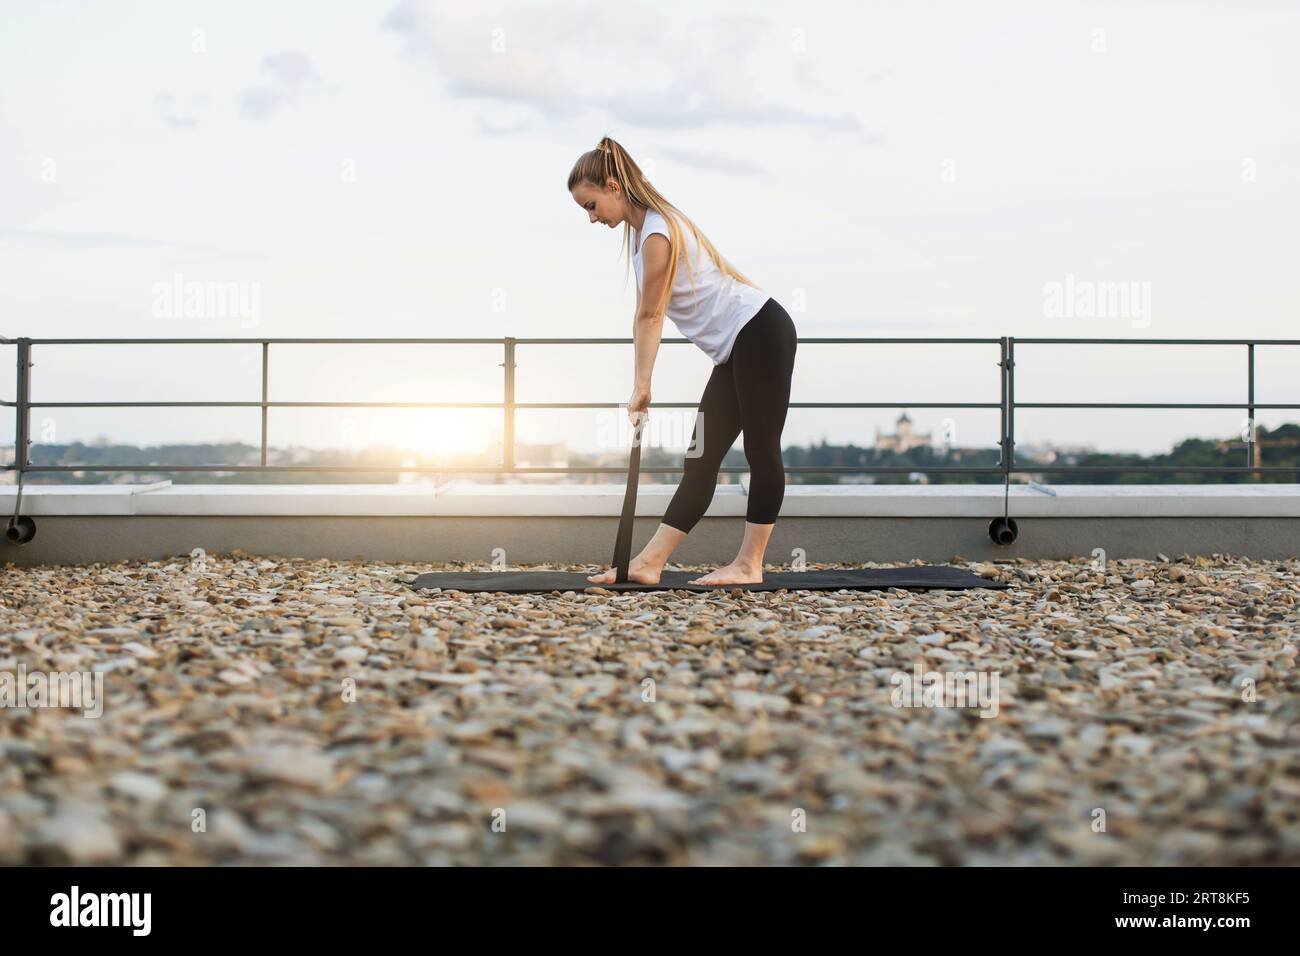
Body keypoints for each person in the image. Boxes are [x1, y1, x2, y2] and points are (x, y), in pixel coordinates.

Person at [568, 136, 798, 585]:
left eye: (592, 206)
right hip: (737, 345)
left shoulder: (657, 232)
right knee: (700, 457)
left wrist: (641, 386)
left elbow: (651, 315)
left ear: (613, 186)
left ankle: (750, 565)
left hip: (760, 332)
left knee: (760, 448)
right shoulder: (642, 232)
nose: (593, 218)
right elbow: (644, 315)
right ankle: (651, 562)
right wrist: (641, 382)